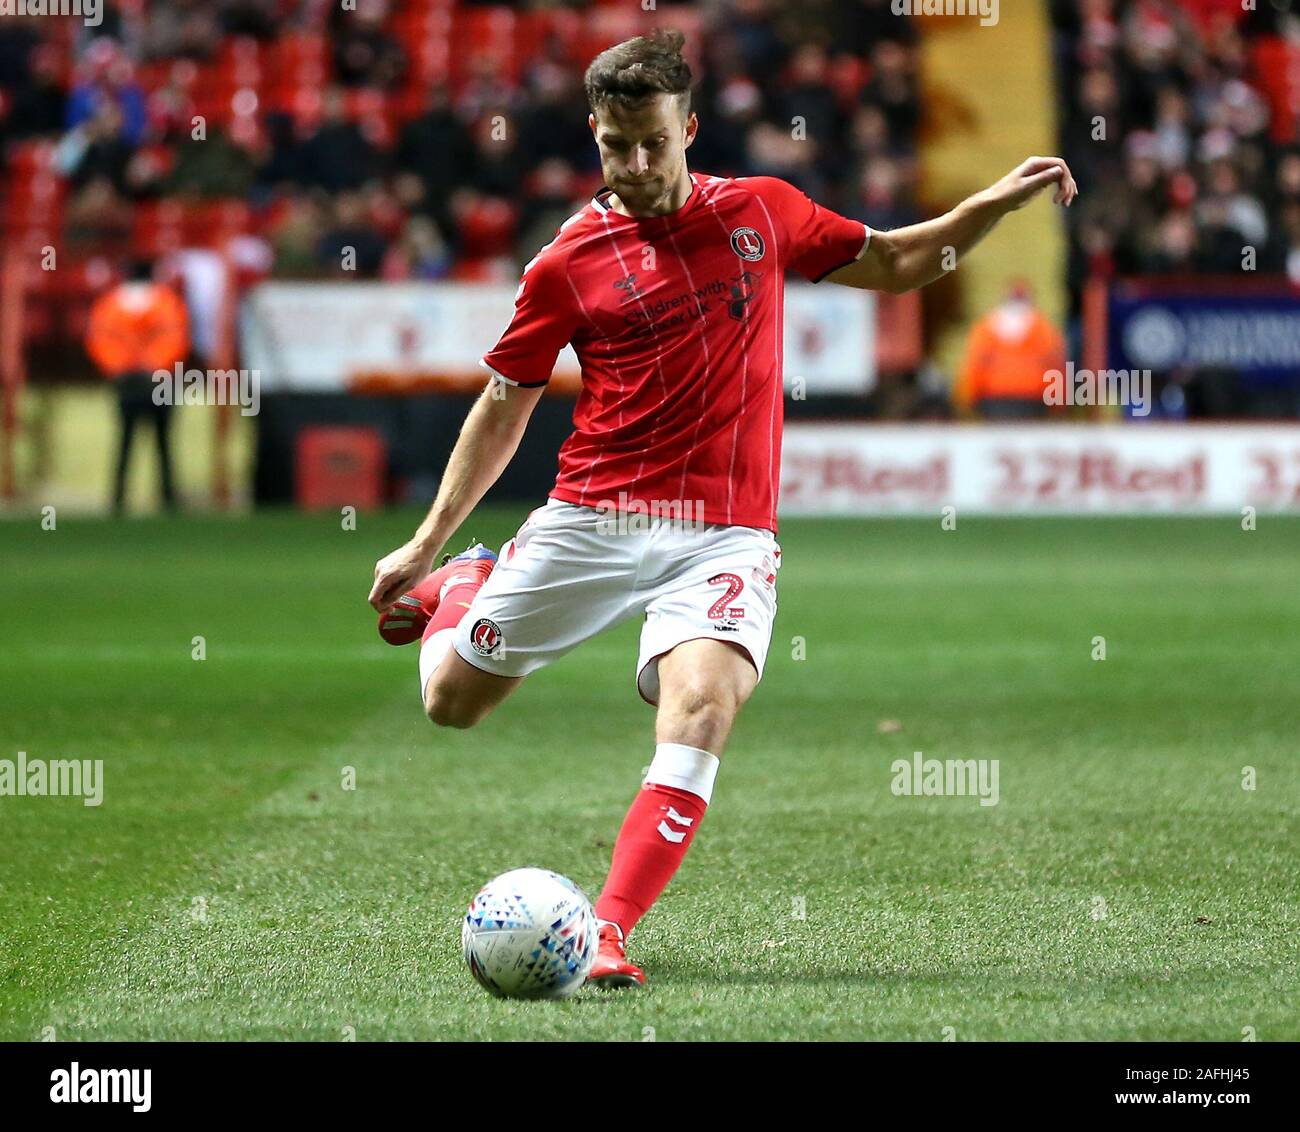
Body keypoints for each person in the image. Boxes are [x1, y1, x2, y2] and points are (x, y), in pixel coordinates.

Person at [367, 31, 1077, 989]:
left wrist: (995, 199)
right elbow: (505, 405)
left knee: (702, 708)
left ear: (689, 128)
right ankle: (471, 583)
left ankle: (608, 931)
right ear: (595, 135)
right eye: (616, 146)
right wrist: (426, 545)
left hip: (725, 534)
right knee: (450, 703)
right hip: (593, 516)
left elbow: (902, 263)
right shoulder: (567, 261)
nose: (635, 165)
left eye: (653, 142)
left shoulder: (761, 213)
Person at [85, 259, 189, 513]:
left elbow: (100, 339)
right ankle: (164, 498)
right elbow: (176, 337)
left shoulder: (110, 303)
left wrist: (122, 366)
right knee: (161, 442)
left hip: (130, 380)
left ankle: (121, 498)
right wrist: (151, 365)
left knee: (128, 440)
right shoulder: (167, 301)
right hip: (157, 379)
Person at [953, 280, 1067, 419]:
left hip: (994, 400)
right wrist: (1058, 404)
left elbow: (974, 366)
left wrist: (966, 401)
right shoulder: (1044, 329)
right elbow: (1054, 366)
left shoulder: (986, 327)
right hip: (1032, 400)